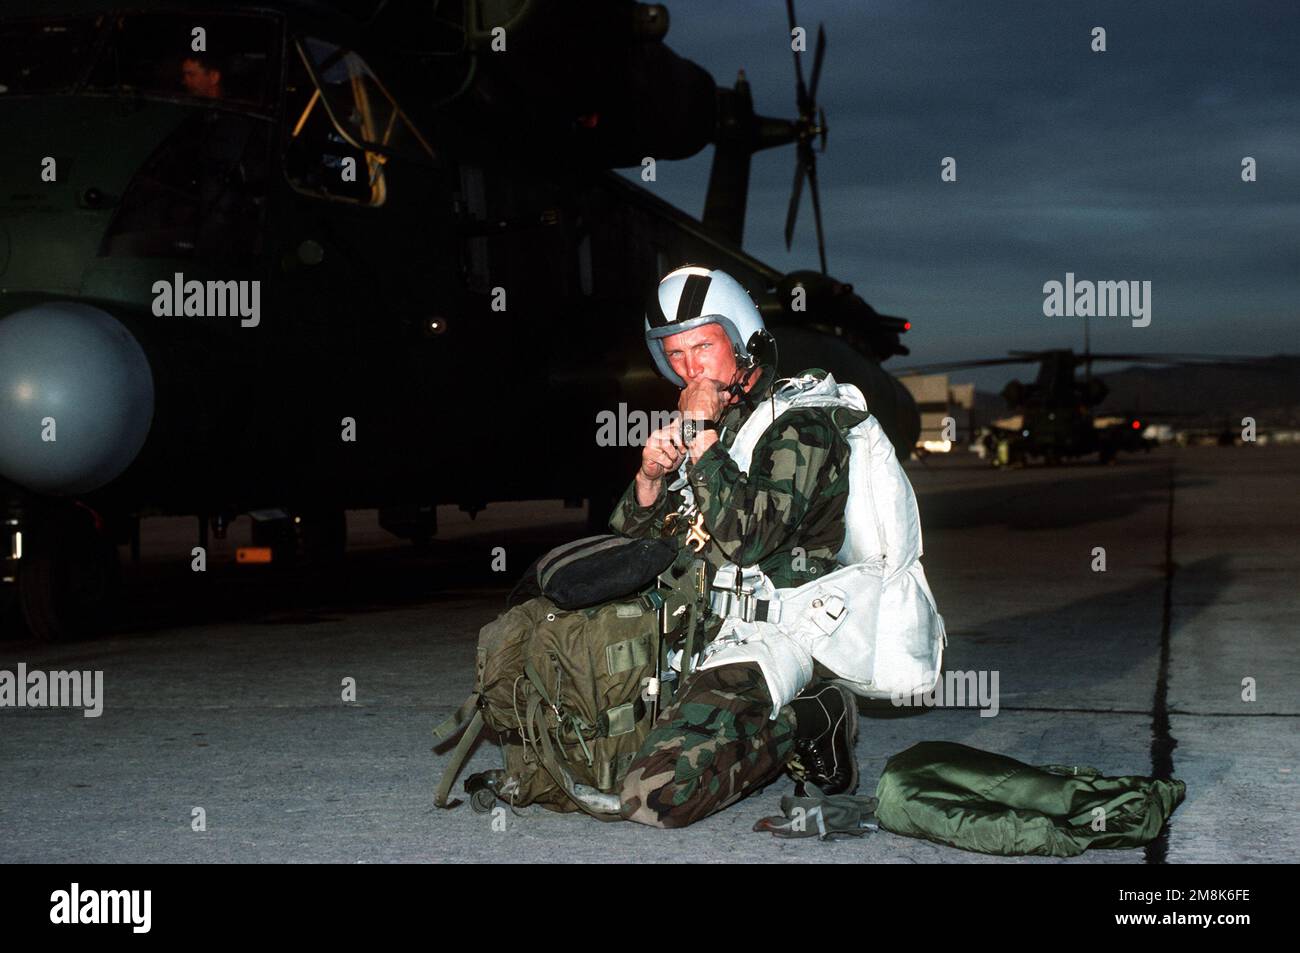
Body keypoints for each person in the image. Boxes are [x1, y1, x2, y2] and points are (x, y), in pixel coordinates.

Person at [610, 264, 865, 829]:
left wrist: (700, 441)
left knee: (654, 796)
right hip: (689, 634)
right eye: (674, 355)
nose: (689, 367)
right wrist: (650, 484)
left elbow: (746, 540)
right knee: (583, 746)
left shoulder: (802, 427)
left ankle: (808, 720)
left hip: (764, 638)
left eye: (702, 346)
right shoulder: (710, 431)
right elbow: (629, 558)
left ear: (744, 339)